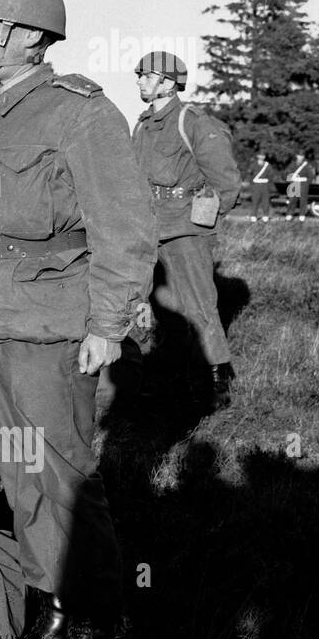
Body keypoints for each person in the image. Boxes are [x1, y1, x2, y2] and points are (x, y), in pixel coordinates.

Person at [0, 0, 156, 639]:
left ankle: (100, 612)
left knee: (63, 471)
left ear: (28, 34)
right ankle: (49, 595)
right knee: (17, 467)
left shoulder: (81, 112)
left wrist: (108, 322)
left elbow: (124, 225)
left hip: (52, 318)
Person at [132, 51, 241, 410]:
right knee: (161, 308)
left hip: (186, 229)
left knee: (199, 305)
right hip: (151, 227)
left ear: (166, 82)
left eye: (147, 76)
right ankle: (172, 377)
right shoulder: (143, 125)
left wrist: (203, 218)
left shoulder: (192, 121)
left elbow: (226, 182)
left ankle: (216, 380)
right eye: (140, 76)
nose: (140, 82)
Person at [286, 151, 312, 221]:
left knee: (303, 201)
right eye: (299, 155)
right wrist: (291, 180)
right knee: (292, 200)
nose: (300, 157)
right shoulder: (292, 165)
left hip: (303, 184)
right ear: (296, 156)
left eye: (302, 156)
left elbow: (310, 176)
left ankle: (302, 215)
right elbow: (287, 174)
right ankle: (289, 214)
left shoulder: (307, 165)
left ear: (303, 157)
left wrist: (306, 184)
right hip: (294, 184)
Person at [249, 148, 273, 222]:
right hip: (256, 185)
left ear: (264, 157)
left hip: (265, 185)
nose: (262, 157)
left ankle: (265, 215)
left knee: (265, 201)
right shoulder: (253, 164)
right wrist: (252, 183)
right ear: (257, 156)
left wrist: (268, 182)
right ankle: (253, 215)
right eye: (260, 155)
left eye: (263, 155)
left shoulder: (267, 165)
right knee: (255, 200)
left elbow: (271, 175)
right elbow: (249, 174)